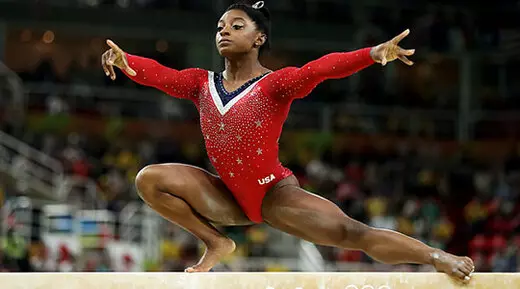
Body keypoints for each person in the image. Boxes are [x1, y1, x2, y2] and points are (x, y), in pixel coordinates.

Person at [101, 0, 474, 280]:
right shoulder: (201, 84)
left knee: (351, 232)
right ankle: (216, 241)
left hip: (274, 195)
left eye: (236, 25)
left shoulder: (275, 84)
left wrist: (370, 54)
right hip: (226, 196)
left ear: (259, 37)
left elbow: (320, 69)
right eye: (220, 27)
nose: (224, 32)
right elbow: (161, 75)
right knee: (149, 179)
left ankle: (435, 257)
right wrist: (124, 60)